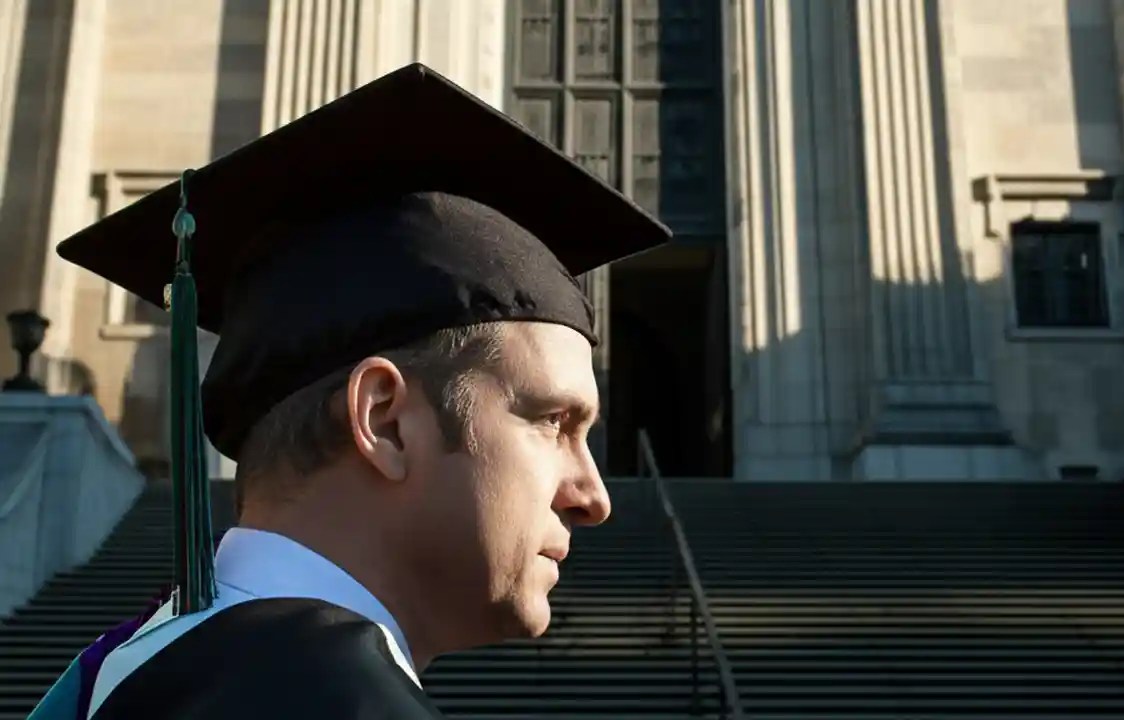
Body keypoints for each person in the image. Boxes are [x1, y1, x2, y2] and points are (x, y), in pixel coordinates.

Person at [26, 62, 671, 719]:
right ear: (385, 420)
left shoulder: (134, 671)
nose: (593, 496)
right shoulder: (328, 700)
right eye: (552, 422)